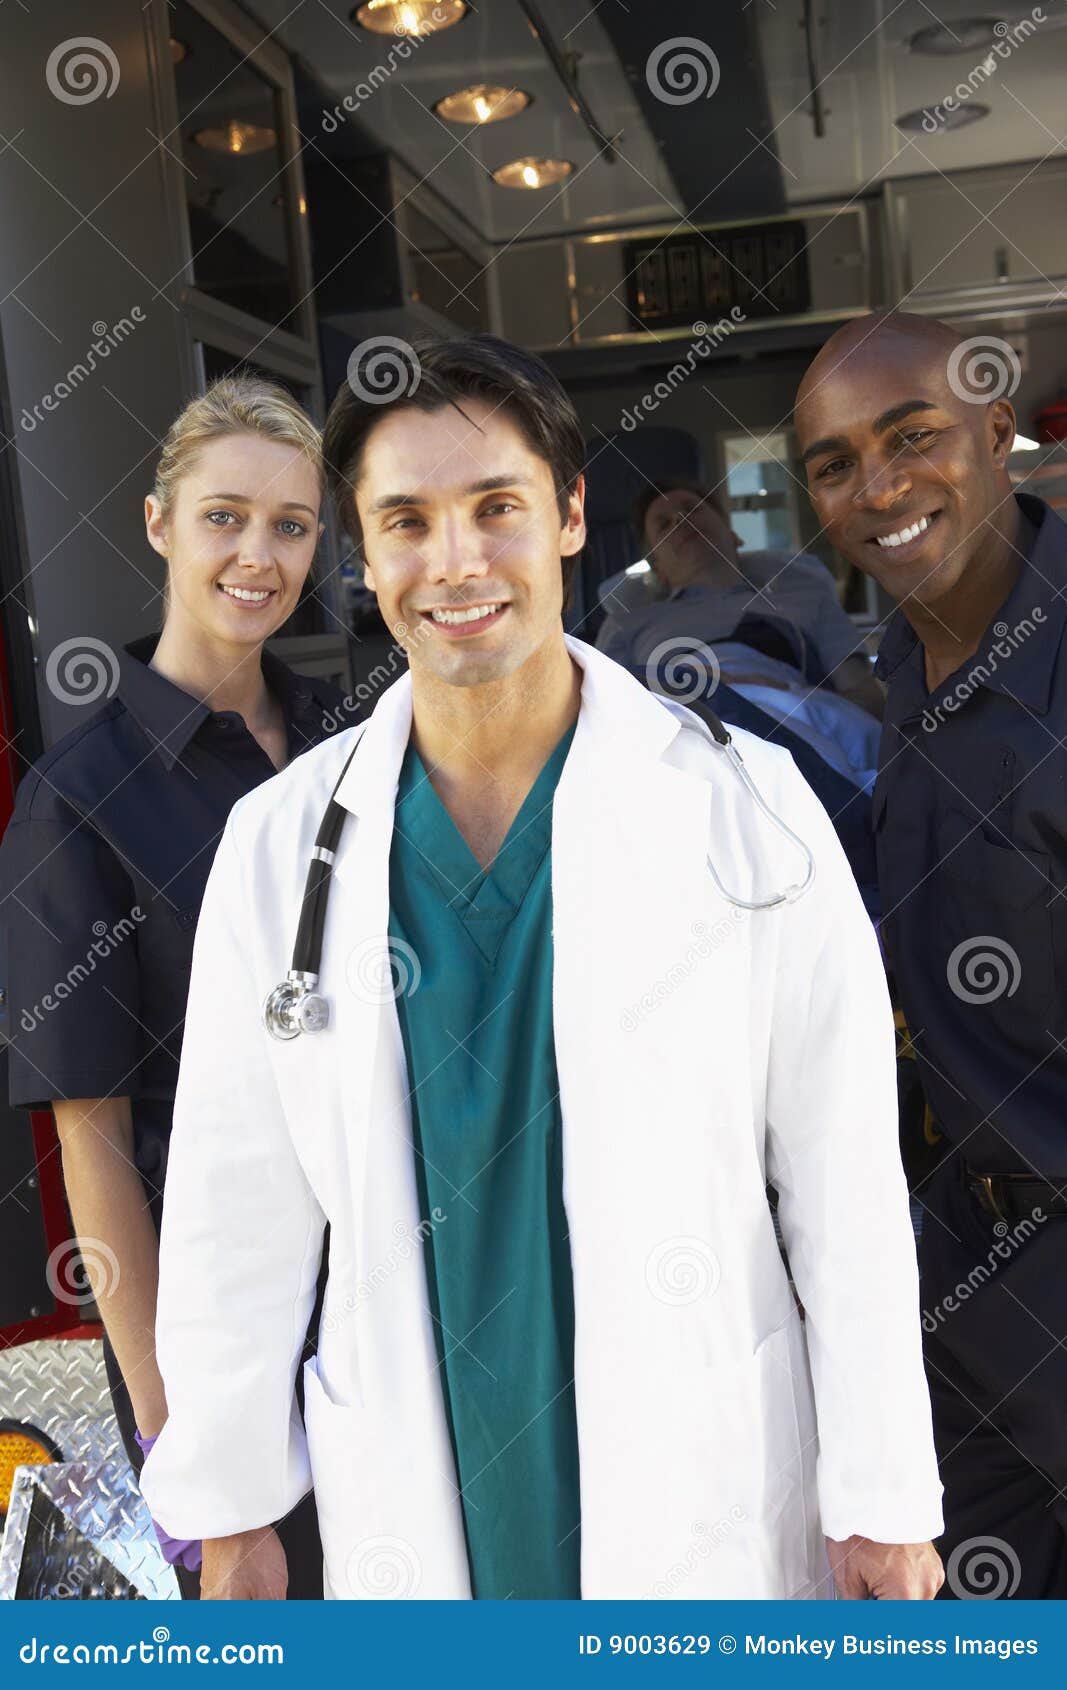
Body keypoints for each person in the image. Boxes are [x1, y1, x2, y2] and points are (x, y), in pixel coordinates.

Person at [140, 333, 943, 1601]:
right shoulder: (282, 847)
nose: (453, 562)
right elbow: (235, 1210)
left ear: (569, 517)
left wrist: (884, 1497)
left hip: (705, 1500)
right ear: (361, 548)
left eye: (495, 508)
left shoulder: (753, 811)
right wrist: (229, 1510)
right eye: (404, 520)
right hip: (420, 1493)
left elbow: (841, 1184)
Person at [0, 376, 348, 1599]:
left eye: (292, 524)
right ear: (159, 523)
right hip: (221, 1356)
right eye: (224, 517)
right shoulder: (78, 802)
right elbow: (91, 1147)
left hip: (384, 1321)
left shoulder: (352, 747)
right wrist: (178, 1448)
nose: (259, 554)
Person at [795, 308, 1067, 1598]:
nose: (878, 487)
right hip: (951, 1302)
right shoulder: (893, 665)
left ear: (995, 434)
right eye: (836, 463)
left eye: (912, 440)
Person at [596, 479, 882, 715]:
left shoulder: (807, 596)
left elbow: (867, 701)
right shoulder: (626, 623)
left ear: (733, 535)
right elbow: (600, 710)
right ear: (658, 568)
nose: (682, 520)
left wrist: (790, 697)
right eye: (664, 524)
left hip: (800, 721)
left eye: (692, 509)